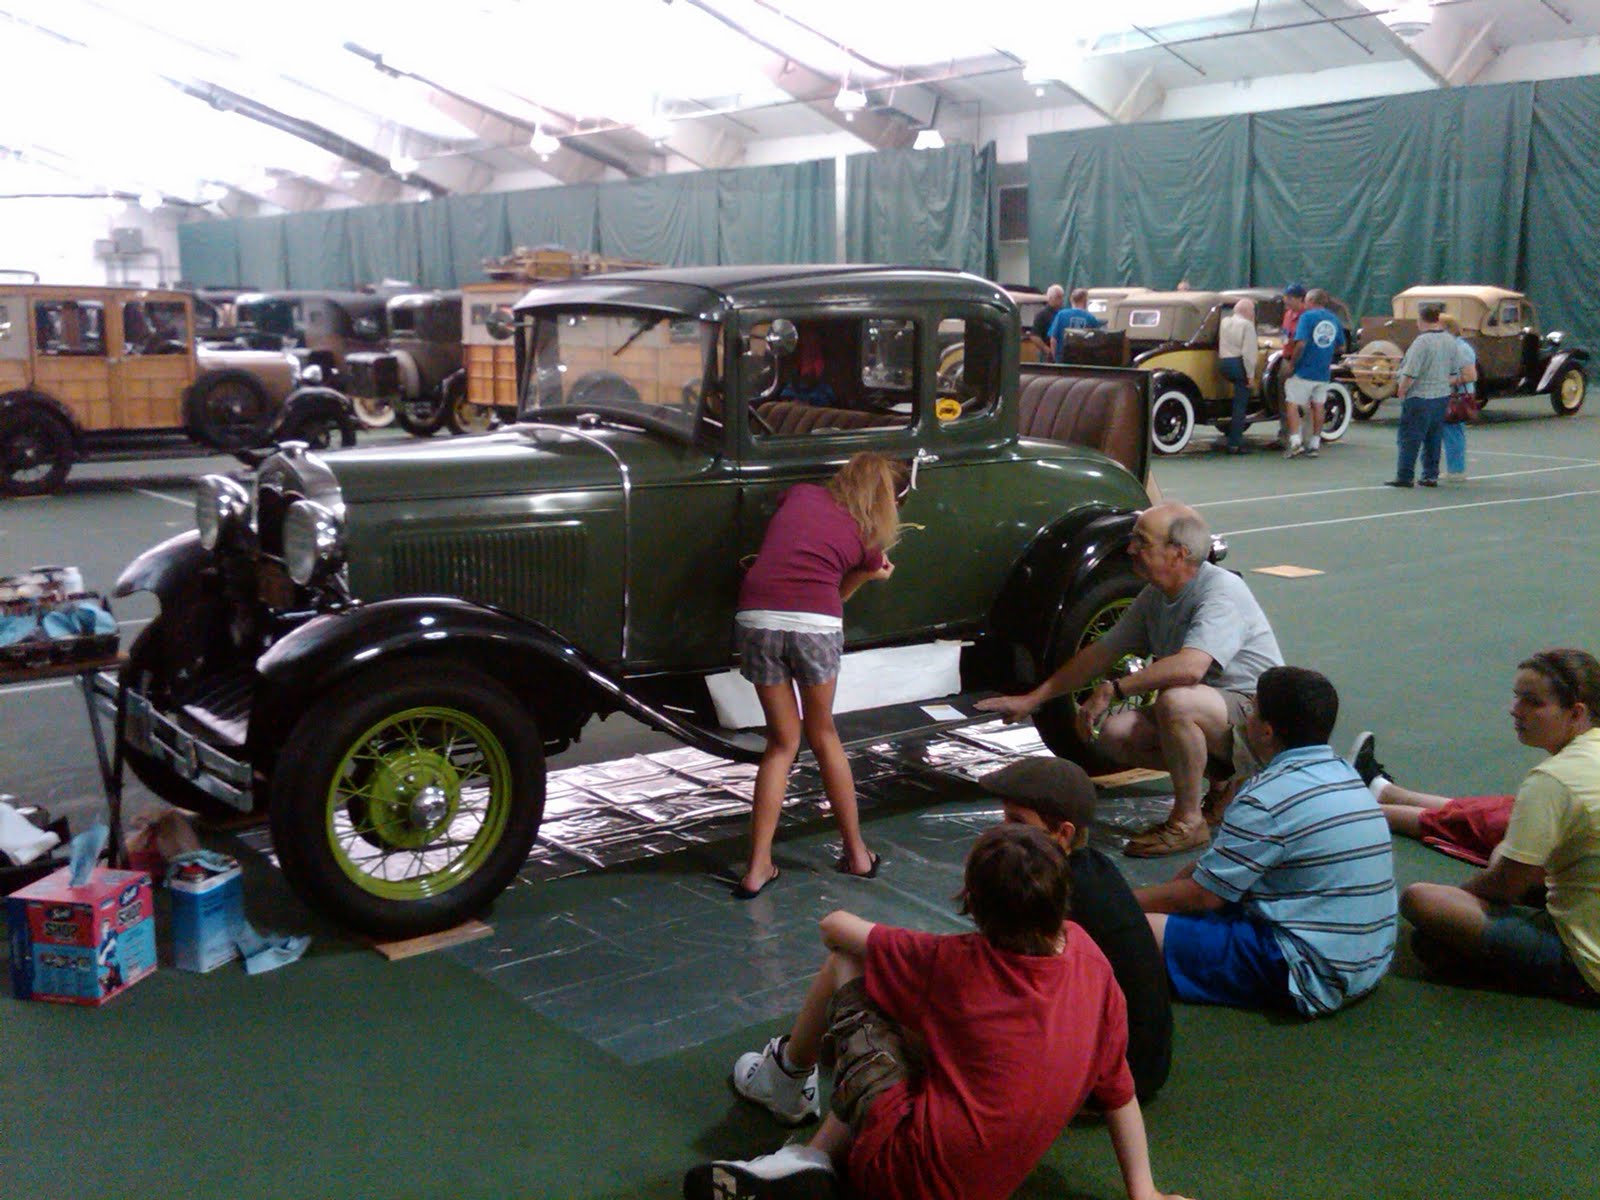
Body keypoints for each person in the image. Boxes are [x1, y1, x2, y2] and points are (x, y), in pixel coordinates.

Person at [688, 825, 1191, 1200]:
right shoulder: (1091, 959)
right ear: (1063, 897)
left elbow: (835, 926)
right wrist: (1144, 1193)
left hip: (895, 1168)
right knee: (930, 1032)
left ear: (972, 902)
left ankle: (785, 1084)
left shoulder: (950, 961)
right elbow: (1118, 1088)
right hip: (986, 1185)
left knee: (848, 964)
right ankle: (812, 1156)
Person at [977, 502, 1283, 858]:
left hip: (1256, 718)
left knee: (1177, 701)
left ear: (1177, 554)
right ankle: (1224, 778)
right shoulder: (1156, 595)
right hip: (1213, 712)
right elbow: (1102, 652)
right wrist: (1034, 699)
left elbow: (1190, 668)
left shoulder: (1220, 592)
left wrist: (1114, 688)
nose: (1130, 549)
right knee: (1113, 735)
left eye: (1142, 541)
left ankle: (1189, 822)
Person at [1135, 666, 1397, 1016]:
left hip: (1307, 971)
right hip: (1367, 962)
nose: (1246, 717)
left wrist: (1121, 903)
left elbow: (1203, 896)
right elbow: (1211, 874)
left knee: (1132, 929)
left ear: (1266, 731)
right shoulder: (1344, 773)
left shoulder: (1266, 796)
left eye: (1252, 710)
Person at [733, 453, 900, 898]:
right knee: (822, 733)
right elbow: (833, 595)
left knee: (782, 741)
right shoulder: (867, 537)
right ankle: (858, 855)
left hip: (756, 617)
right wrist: (869, 575)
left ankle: (756, 867)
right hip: (814, 628)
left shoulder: (802, 494)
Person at [1399, 649, 1600, 1003]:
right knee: (1505, 853)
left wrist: (1464, 894)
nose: (1515, 709)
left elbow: (1506, 885)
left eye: (1532, 702)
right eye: (1517, 697)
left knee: (1421, 900)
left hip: (1587, 967)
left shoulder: (1552, 780)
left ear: (1576, 713)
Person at [982, 757, 1173, 1100]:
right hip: (1142, 1064)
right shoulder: (1095, 868)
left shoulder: (1054, 896)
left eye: (1017, 821)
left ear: (1063, 833)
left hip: (1111, 1076)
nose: (1002, 832)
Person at [1387, 302, 1457, 488]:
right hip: (1441, 395)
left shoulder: (1421, 342)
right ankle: (1430, 475)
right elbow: (1454, 372)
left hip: (1419, 396)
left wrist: (1401, 389)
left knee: (1409, 438)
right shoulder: (1450, 340)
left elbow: (1411, 372)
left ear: (1420, 319)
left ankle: (1405, 475)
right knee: (1433, 438)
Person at [1281, 288, 1346, 459]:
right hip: (1323, 371)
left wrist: (1292, 365)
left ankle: (1295, 442)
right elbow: (1341, 346)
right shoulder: (1333, 319)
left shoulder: (1307, 317)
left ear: (1309, 301)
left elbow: (1301, 343)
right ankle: (1315, 443)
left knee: (1292, 404)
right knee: (1318, 406)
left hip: (1304, 370)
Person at [1439, 313, 1479, 482]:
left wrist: (1447, 380)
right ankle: (1454, 468)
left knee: (1453, 432)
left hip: (1457, 396)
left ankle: (1456, 470)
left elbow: (1471, 375)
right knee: (1449, 431)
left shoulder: (1461, 348)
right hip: (1449, 394)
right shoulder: (1452, 347)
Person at [1216, 296, 1257, 454]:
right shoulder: (1247, 325)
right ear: (1247, 311)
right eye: (1252, 310)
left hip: (1224, 363)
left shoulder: (1224, 322)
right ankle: (1235, 443)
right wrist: (1251, 375)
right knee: (1240, 405)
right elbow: (1249, 353)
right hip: (1238, 364)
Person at [1048, 287, 1105, 362]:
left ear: (1071, 299)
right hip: (1083, 363)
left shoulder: (1061, 315)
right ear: (1085, 301)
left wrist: (1055, 359)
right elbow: (1097, 343)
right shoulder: (1091, 318)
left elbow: (1053, 340)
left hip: (1063, 361)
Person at [1026, 284, 1065, 356]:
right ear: (1050, 298)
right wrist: (1046, 349)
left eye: (1062, 297)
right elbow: (1034, 336)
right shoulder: (1042, 314)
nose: (1061, 300)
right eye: (1058, 297)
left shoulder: (1063, 313)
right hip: (1046, 353)